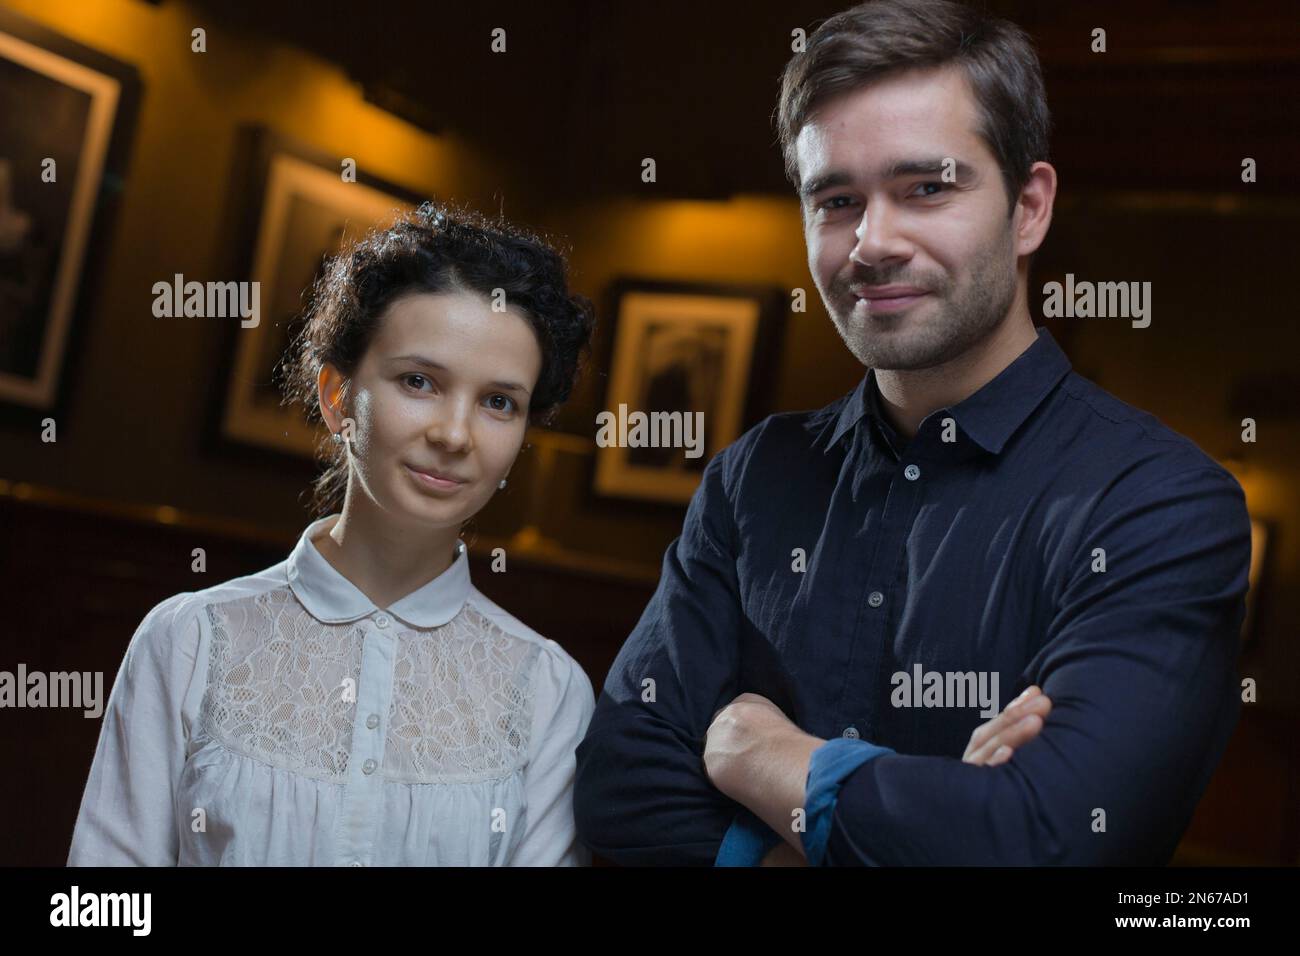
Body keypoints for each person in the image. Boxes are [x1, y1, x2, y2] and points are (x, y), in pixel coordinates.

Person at [573, 0, 1251, 866]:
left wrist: (772, 763)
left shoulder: (1159, 504)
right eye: (836, 199)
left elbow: (1056, 840)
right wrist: (920, 820)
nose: (872, 242)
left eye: (926, 188)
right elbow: (620, 788)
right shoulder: (754, 477)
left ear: (1030, 208)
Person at [69, 201, 598, 866]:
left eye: (499, 402)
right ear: (337, 396)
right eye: (419, 381)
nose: (455, 435)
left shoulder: (548, 691)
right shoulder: (187, 642)